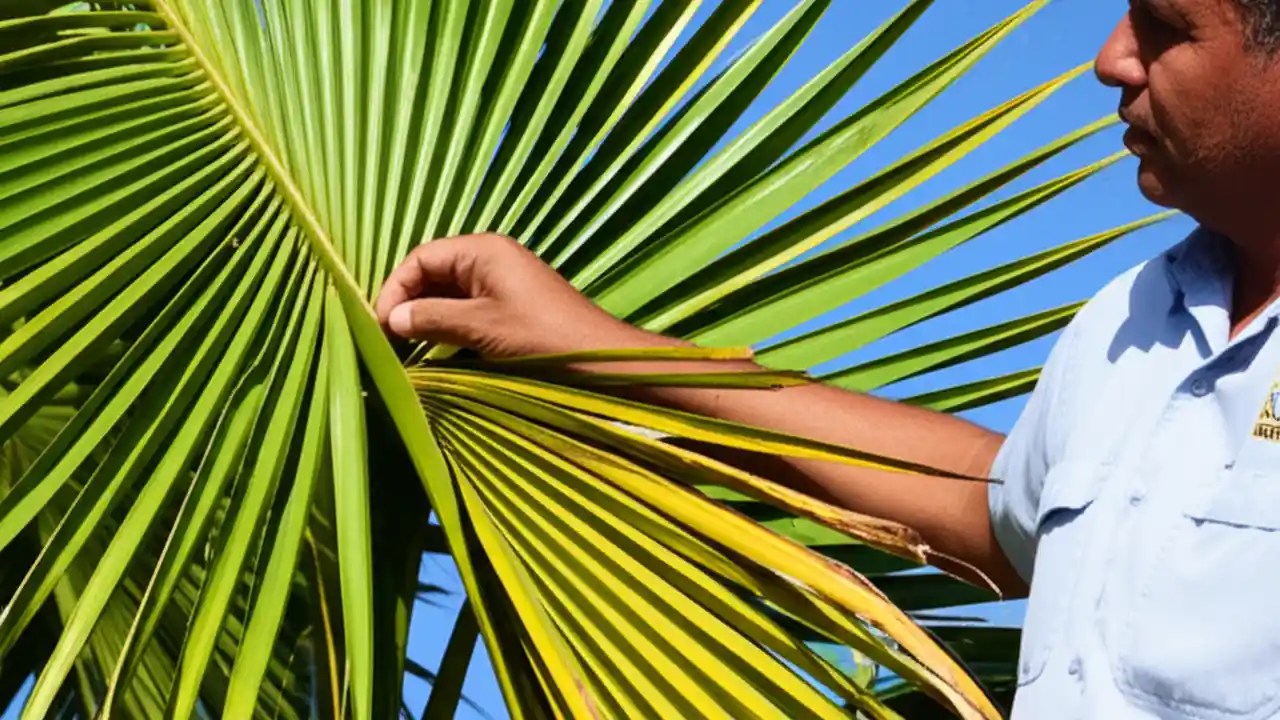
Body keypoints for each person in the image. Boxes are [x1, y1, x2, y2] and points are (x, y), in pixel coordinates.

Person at [375, 1, 1280, 717]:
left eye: (1165, 25)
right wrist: (597, 346)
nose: (1111, 57)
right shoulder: (1129, 321)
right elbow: (997, 506)